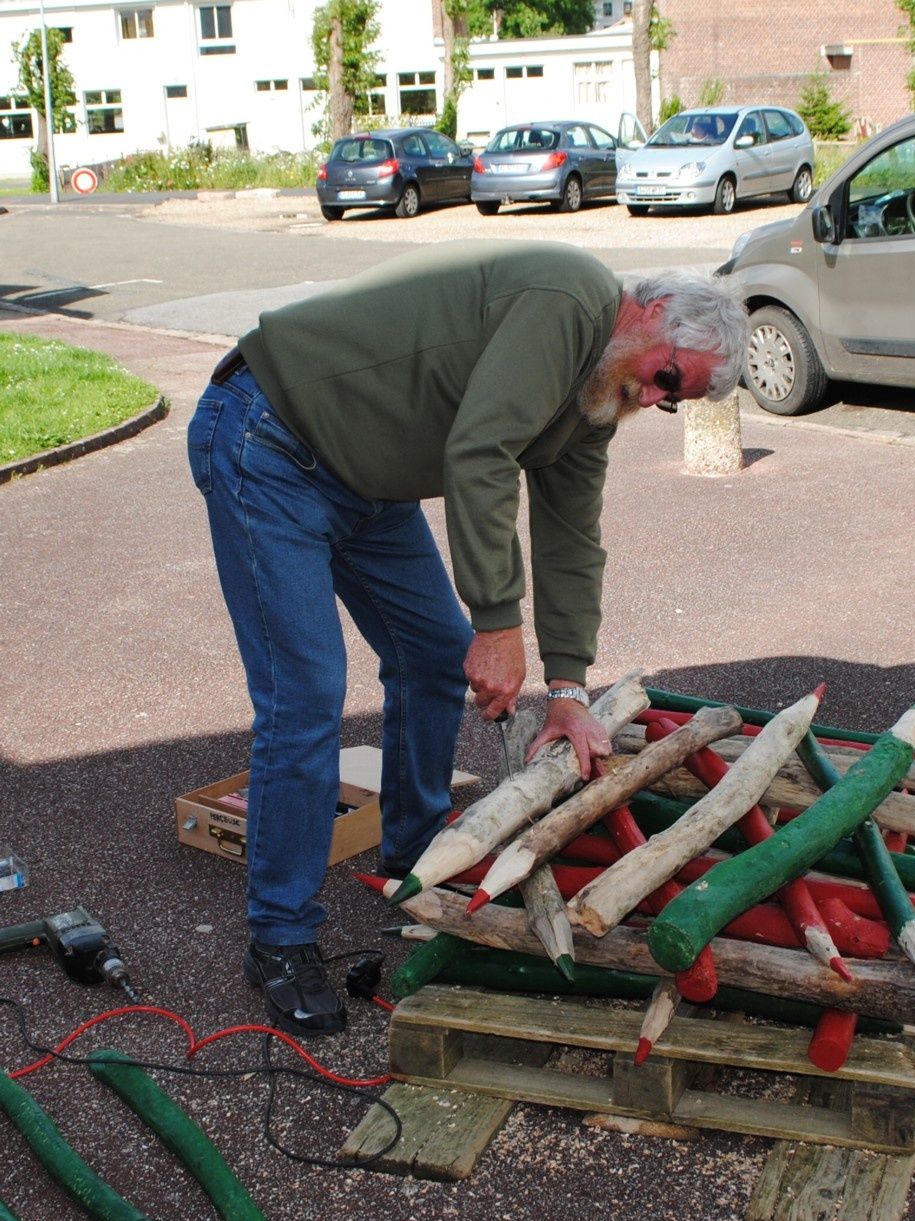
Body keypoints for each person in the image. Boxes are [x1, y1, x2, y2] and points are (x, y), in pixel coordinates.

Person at [187, 239, 747, 1036]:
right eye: (666, 379)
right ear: (654, 314)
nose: (653, 399)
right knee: (305, 692)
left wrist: (566, 689)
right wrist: (498, 623)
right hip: (270, 438)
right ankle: (279, 937)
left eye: (671, 400)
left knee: (427, 655)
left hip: (363, 474)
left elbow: (571, 534)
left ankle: (415, 865)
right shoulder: (572, 297)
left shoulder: (597, 394)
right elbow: (479, 453)